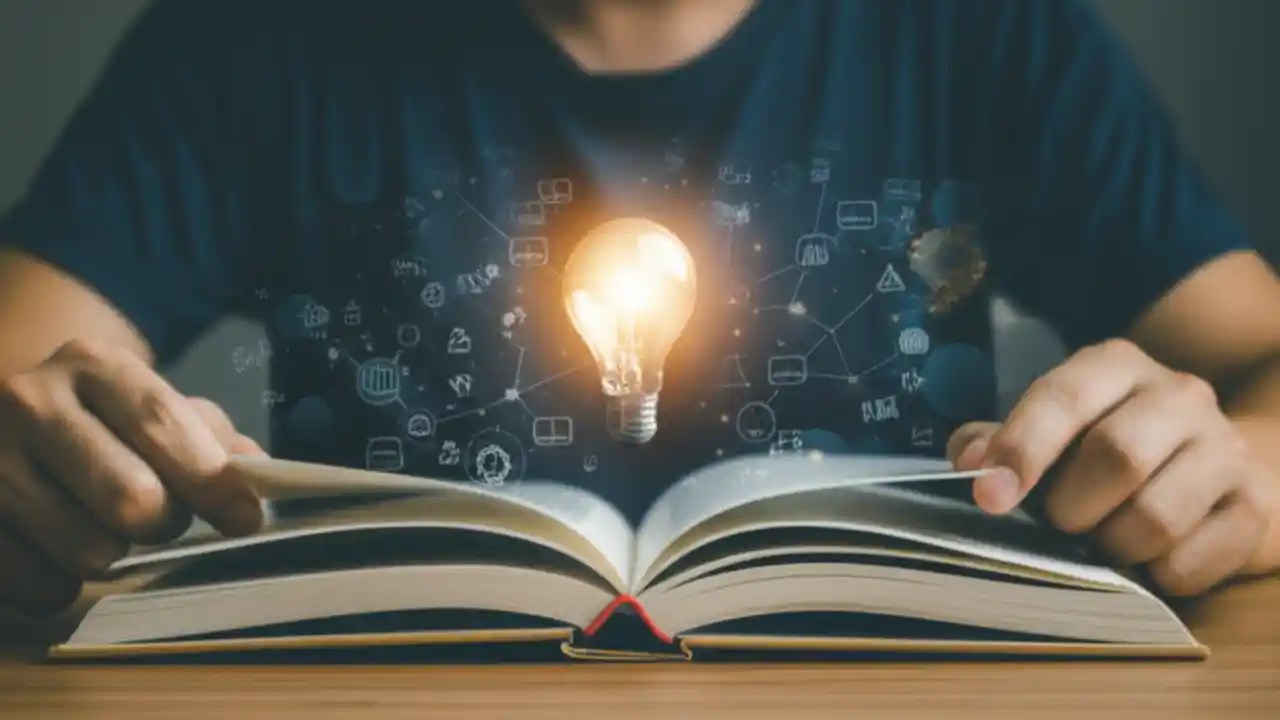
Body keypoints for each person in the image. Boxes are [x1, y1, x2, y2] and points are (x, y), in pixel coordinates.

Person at [1, 0, 1277, 618]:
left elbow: (1262, 364)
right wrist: (42, 463)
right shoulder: (252, 38)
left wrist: (1245, 466)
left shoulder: (978, 31)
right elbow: (22, 375)